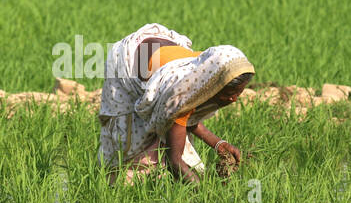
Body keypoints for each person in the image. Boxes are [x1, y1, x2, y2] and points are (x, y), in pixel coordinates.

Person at [98, 23, 254, 184]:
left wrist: (218, 144)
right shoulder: (181, 93)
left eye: (238, 93)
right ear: (216, 85)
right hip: (126, 60)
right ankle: (116, 183)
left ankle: (159, 180)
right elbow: (175, 161)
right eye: (229, 94)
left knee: (170, 131)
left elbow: (185, 116)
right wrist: (200, 191)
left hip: (158, 53)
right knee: (128, 135)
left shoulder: (209, 70)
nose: (233, 99)